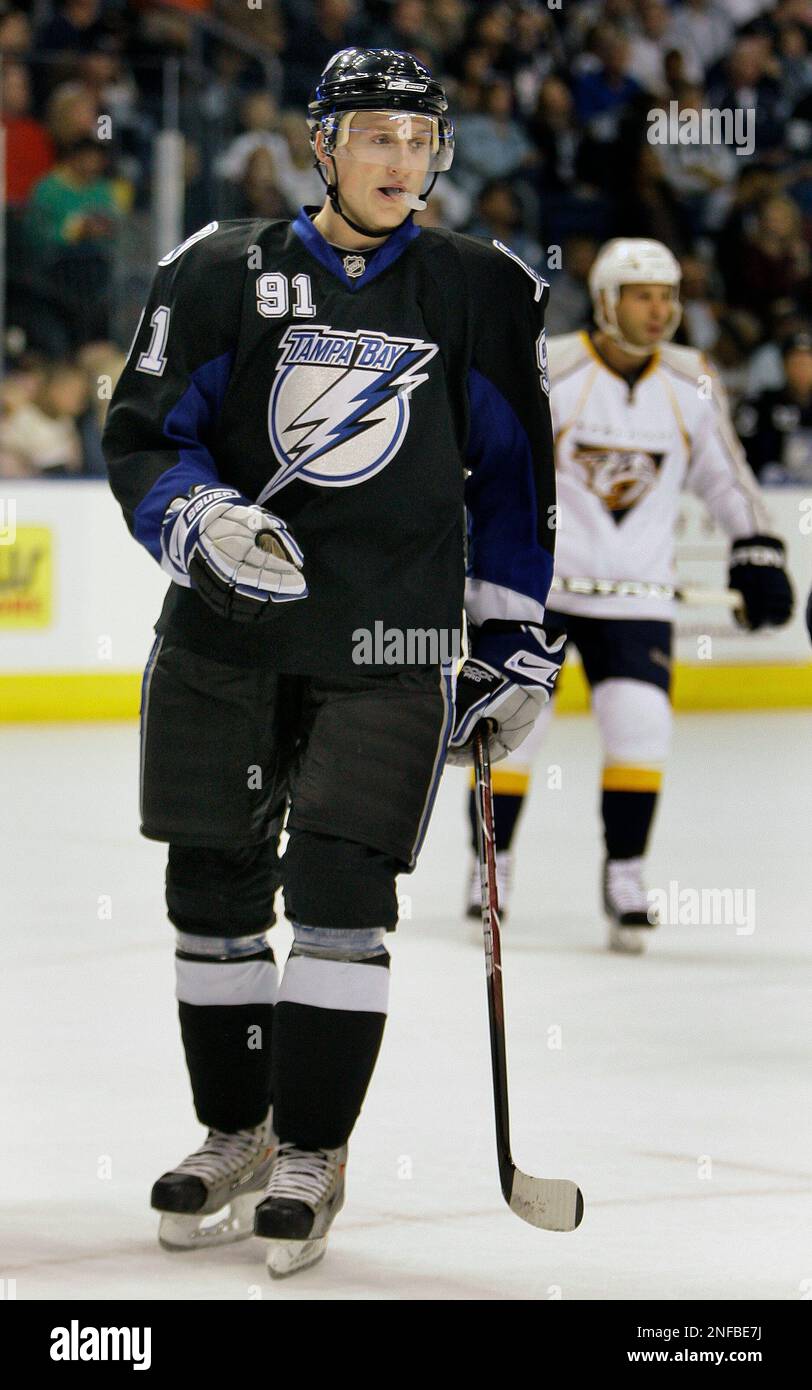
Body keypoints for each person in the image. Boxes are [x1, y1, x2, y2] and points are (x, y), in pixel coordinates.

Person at [103, 46, 561, 1278]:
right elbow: (146, 438)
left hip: (391, 644)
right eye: (374, 137)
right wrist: (196, 518)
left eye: (419, 142)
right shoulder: (213, 270)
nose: (399, 162)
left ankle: (310, 1148)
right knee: (210, 889)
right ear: (321, 145)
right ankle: (230, 1130)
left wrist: (513, 641)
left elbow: (515, 480)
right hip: (224, 635)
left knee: (344, 898)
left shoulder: (476, 287)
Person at [463, 237, 794, 954]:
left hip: (637, 594)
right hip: (538, 586)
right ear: (607, 300)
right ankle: (493, 866)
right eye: (643, 295)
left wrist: (756, 546)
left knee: (641, 727)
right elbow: (500, 459)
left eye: (669, 296)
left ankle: (628, 875)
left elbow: (724, 475)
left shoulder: (691, 379)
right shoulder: (556, 364)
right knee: (516, 731)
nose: (660, 310)